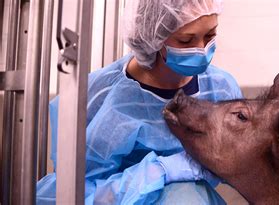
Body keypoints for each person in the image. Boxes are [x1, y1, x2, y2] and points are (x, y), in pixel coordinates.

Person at [36, 0, 242, 204]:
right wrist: (158, 172)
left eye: (210, 35)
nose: (202, 49)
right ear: (154, 37)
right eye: (186, 41)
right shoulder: (104, 97)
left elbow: (243, 161)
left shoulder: (220, 88)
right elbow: (69, 193)